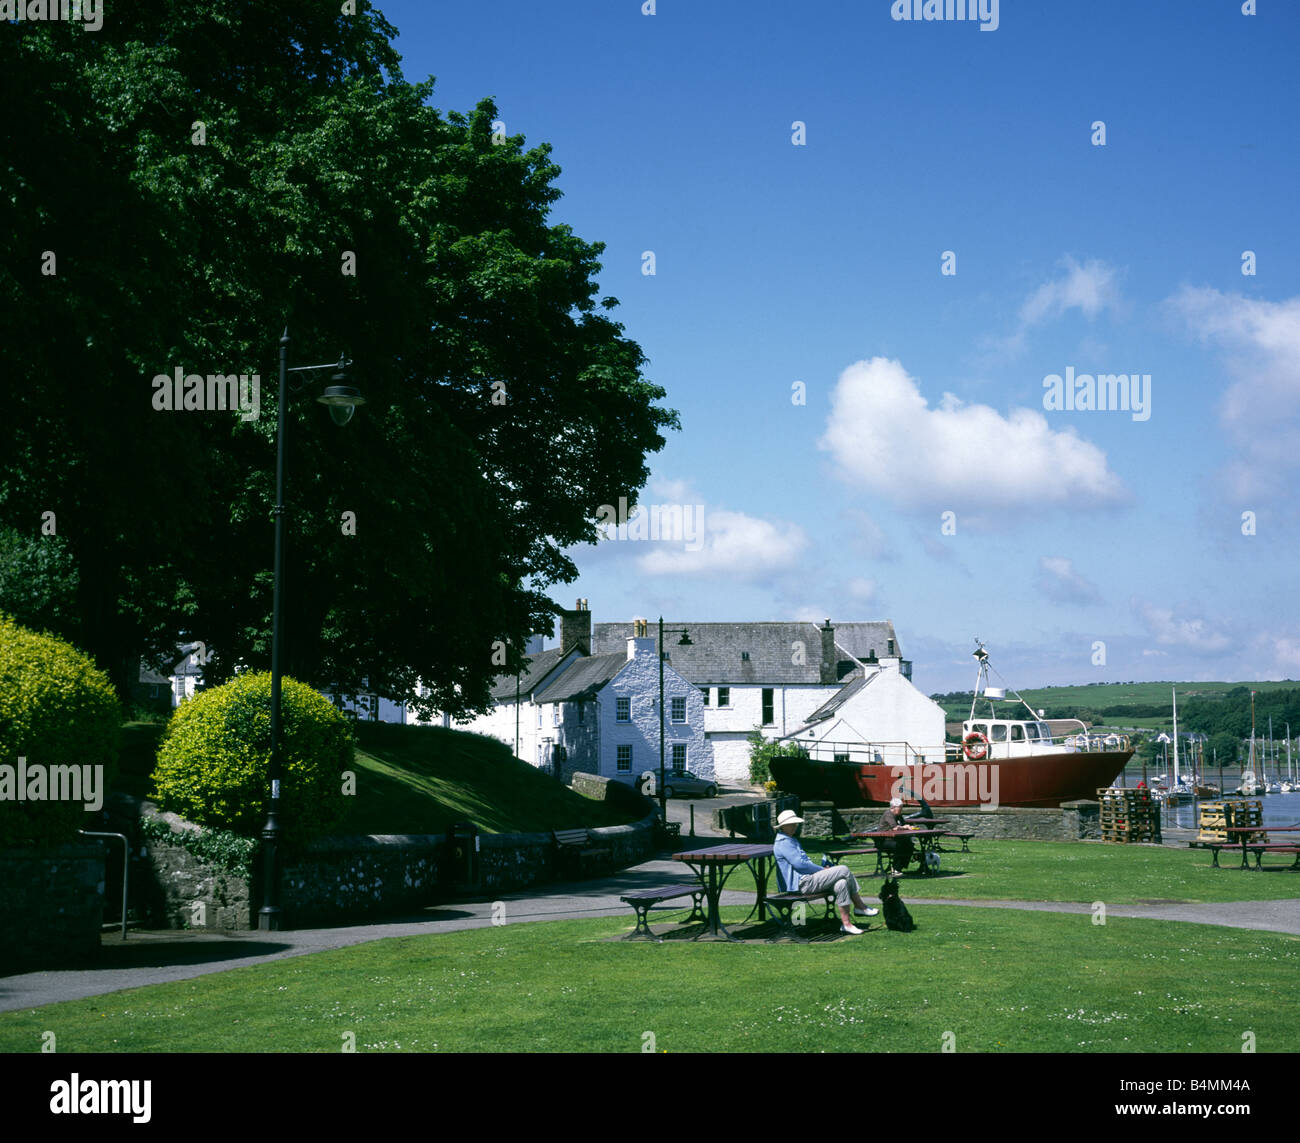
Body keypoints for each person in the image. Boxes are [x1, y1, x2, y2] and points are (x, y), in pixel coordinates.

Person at [772, 809, 878, 934]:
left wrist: (822, 869)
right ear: (783, 826)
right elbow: (800, 865)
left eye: (795, 823)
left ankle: (847, 924)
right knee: (843, 869)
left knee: (841, 883)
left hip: (807, 880)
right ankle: (860, 906)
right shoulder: (783, 842)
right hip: (801, 884)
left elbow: (804, 864)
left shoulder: (791, 840)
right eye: (792, 824)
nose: (795, 826)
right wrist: (822, 870)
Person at [876, 797, 916, 876]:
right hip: (884, 840)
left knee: (910, 844)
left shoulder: (898, 815)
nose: (901, 809)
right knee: (899, 846)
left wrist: (908, 827)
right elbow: (895, 828)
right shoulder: (888, 814)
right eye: (900, 807)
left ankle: (900, 867)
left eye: (902, 807)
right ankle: (895, 869)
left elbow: (903, 825)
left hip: (893, 839)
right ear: (893, 807)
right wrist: (905, 827)